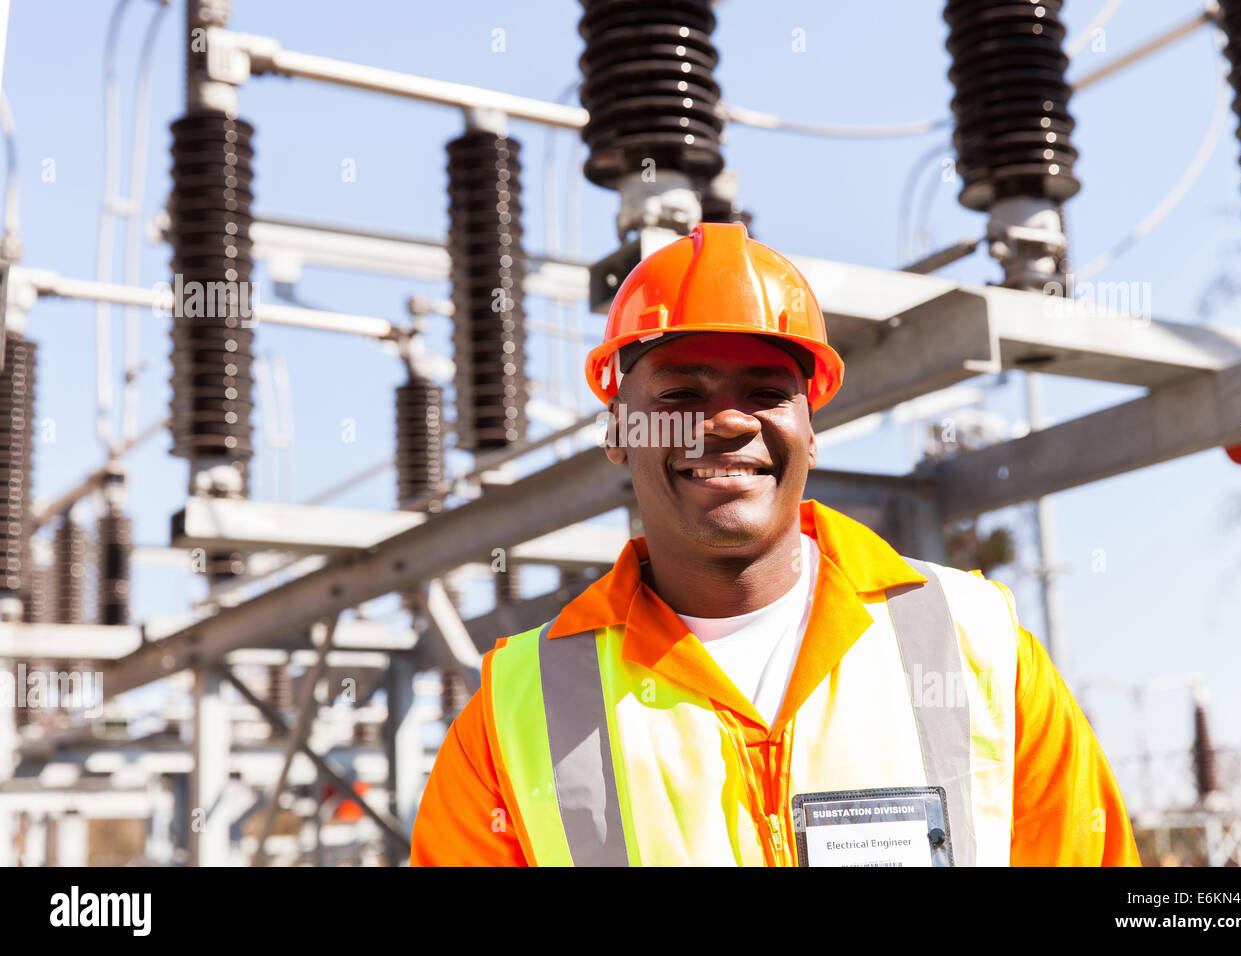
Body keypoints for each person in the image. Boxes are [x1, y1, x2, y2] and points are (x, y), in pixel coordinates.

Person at [409, 222, 1140, 867]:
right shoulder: (517, 715)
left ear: (810, 433)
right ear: (617, 434)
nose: (727, 423)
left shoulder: (979, 646)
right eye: (679, 395)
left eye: (766, 393)